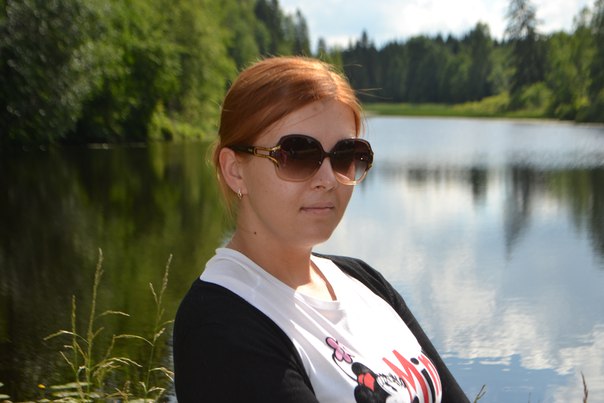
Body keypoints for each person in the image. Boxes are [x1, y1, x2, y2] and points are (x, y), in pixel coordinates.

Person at [173, 56, 469, 403]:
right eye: (297, 154)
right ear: (235, 170)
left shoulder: (365, 283)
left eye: (346, 155)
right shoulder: (221, 324)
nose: (328, 180)